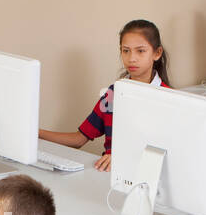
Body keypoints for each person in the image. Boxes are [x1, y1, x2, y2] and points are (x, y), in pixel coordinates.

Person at [38, 19, 171, 171]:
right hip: (108, 174)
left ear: (157, 53)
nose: (131, 58)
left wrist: (122, 158)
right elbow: (79, 139)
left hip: (144, 178)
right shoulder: (113, 94)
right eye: (125, 50)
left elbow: (167, 156)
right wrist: (37, 133)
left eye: (140, 51)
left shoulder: (169, 99)